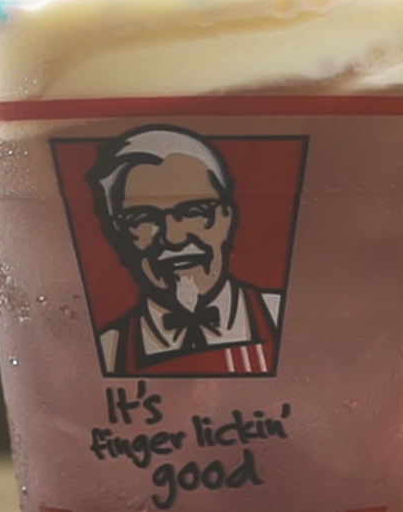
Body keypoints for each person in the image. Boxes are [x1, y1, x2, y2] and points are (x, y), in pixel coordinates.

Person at [86, 126, 282, 376]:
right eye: (144, 219)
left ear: (227, 219)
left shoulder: (284, 321)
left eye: (193, 212)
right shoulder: (106, 353)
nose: (173, 237)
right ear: (118, 235)